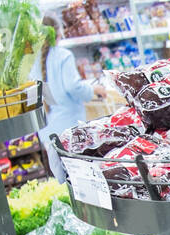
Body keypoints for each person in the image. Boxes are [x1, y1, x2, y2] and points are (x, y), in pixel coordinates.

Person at [35, 15, 106, 182]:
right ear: (58, 34)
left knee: (62, 180)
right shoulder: (63, 55)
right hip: (68, 129)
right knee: (80, 179)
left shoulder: (33, 59)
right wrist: (93, 89)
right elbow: (72, 87)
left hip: (46, 129)